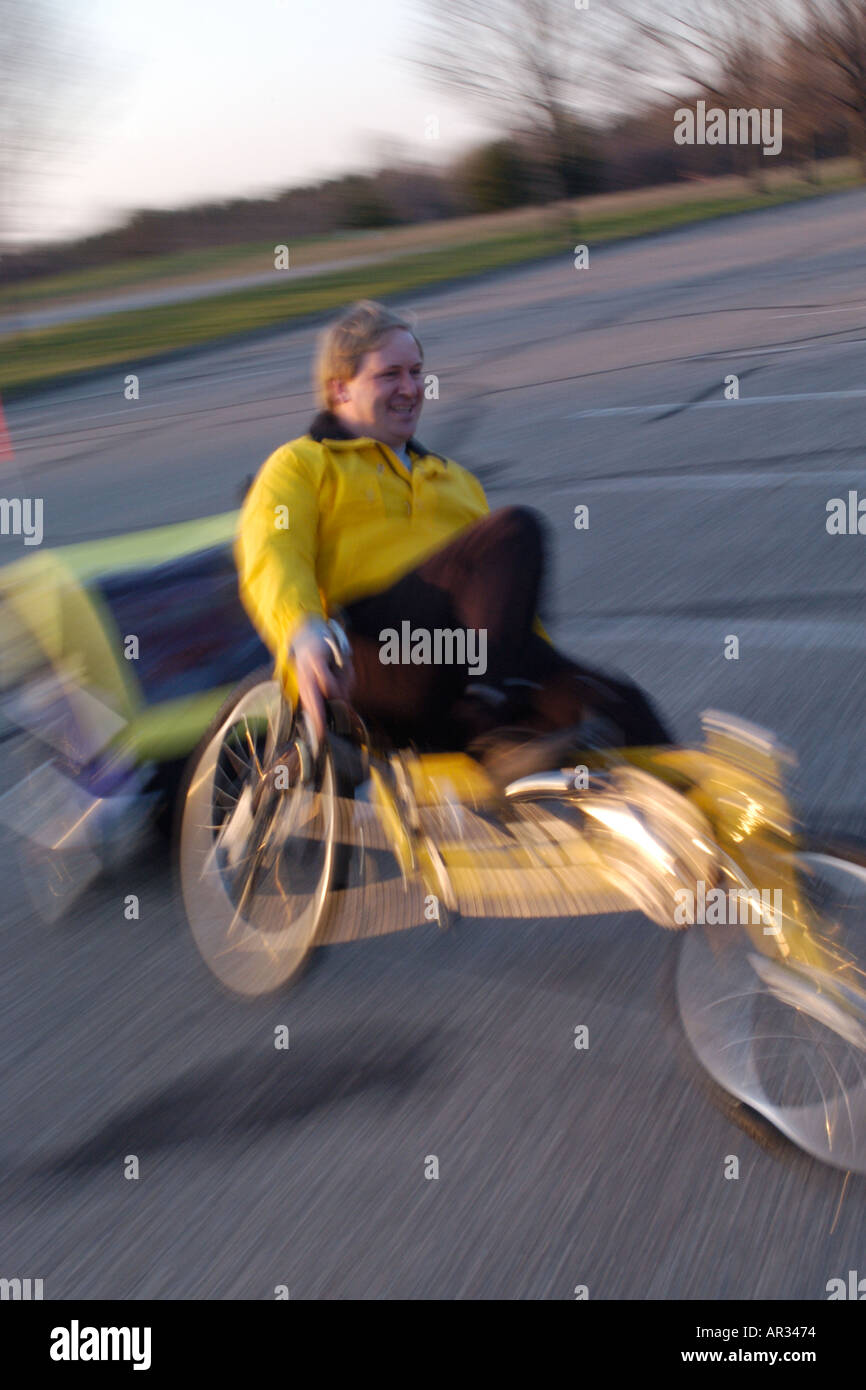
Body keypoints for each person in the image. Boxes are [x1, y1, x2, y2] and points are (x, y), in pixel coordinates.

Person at [236, 300, 670, 781]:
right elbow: (272, 550)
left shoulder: (455, 480)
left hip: (461, 661)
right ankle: (492, 722)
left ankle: (703, 840)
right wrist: (302, 630)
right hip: (375, 656)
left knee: (616, 705)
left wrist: (543, 672)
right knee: (514, 530)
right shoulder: (301, 464)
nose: (411, 388)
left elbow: (501, 598)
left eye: (417, 372)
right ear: (340, 388)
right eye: (389, 375)